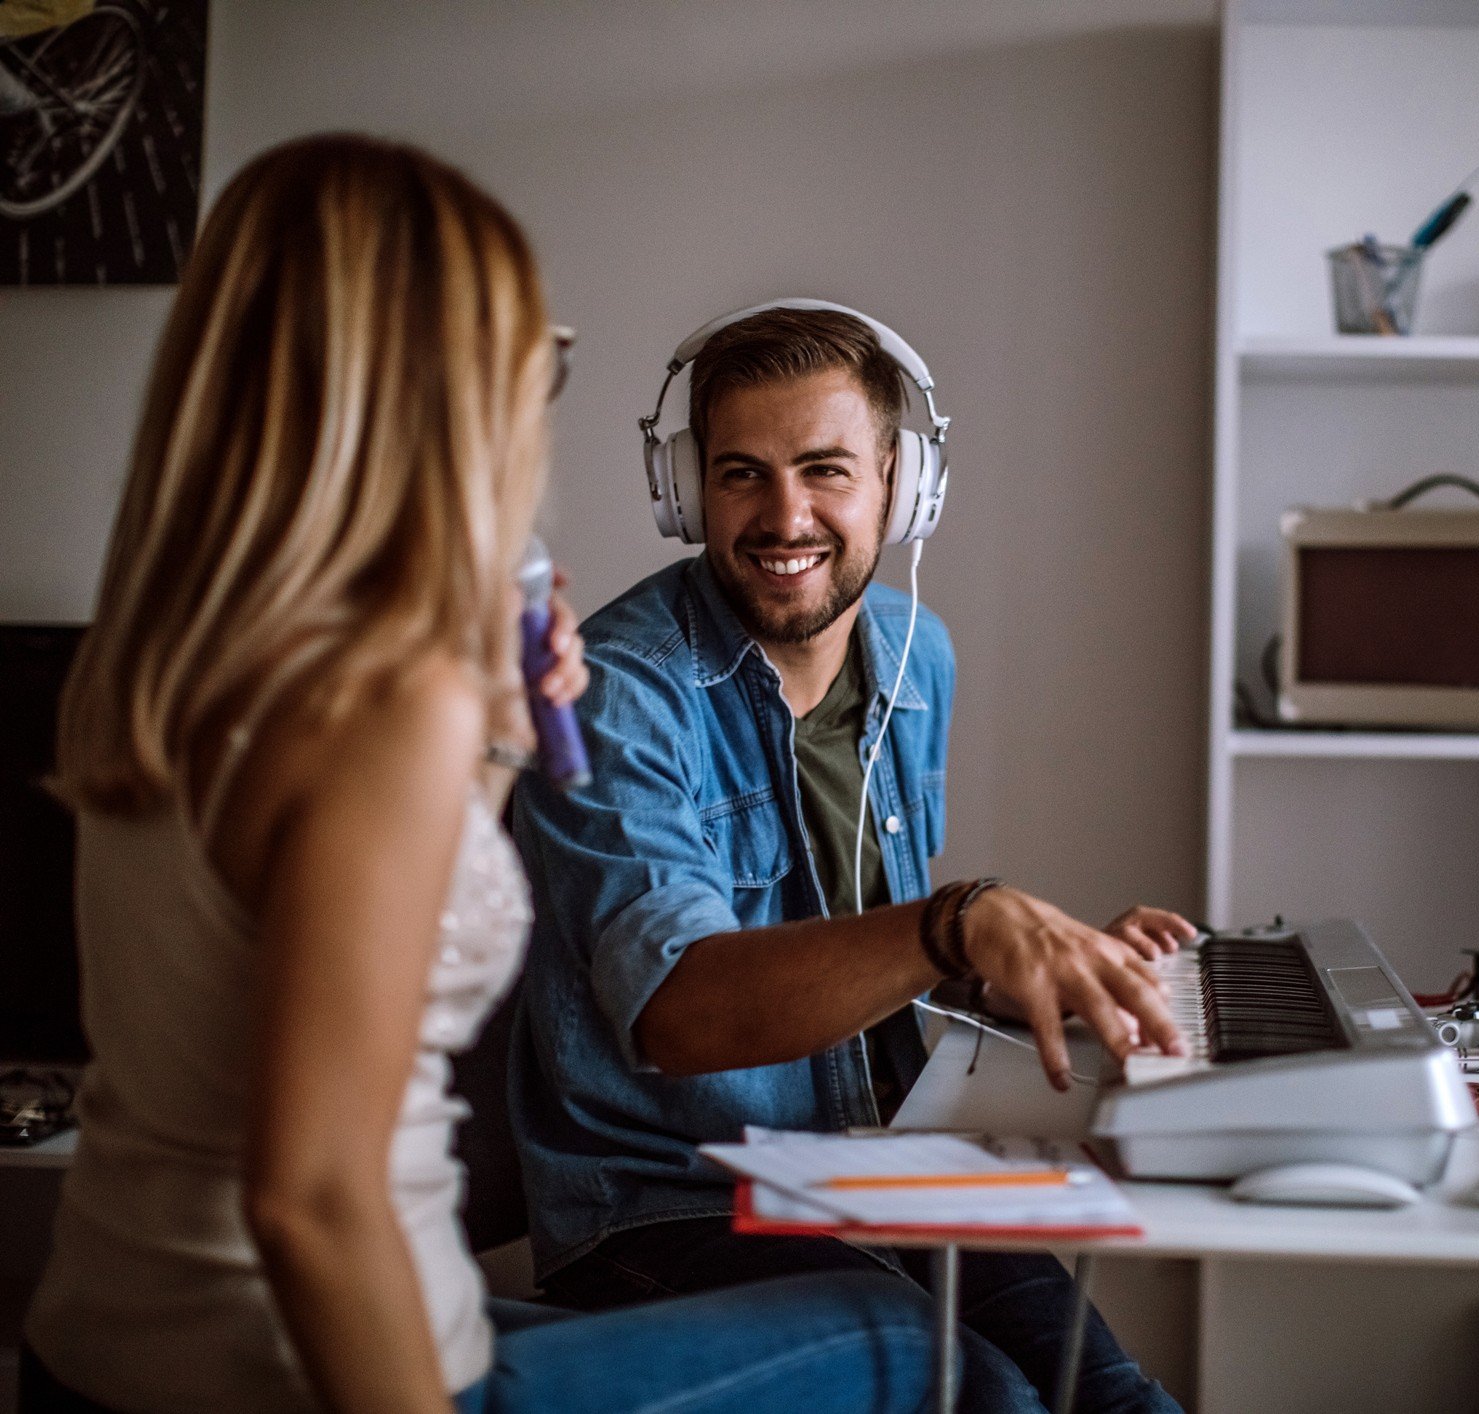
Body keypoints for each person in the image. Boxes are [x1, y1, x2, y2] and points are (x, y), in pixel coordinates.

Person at [22, 135, 951, 1414]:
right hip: (323, 1364)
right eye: (531, 354)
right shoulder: (385, 700)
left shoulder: (174, 659)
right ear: (434, 382)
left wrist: (502, 738)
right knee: (907, 1340)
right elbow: (312, 1198)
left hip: (104, 1349)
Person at [508, 301, 1191, 1412]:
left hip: (876, 1167)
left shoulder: (921, 656)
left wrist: (1035, 965)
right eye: (741, 475)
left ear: (902, 482)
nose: (785, 516)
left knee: (1117, 1399)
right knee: (998, 1401)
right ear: (687, 489)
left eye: (825, 469)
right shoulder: (617, 693)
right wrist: (951, 922)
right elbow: (680, 1011)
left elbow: (874, 953)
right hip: (671, 1204)